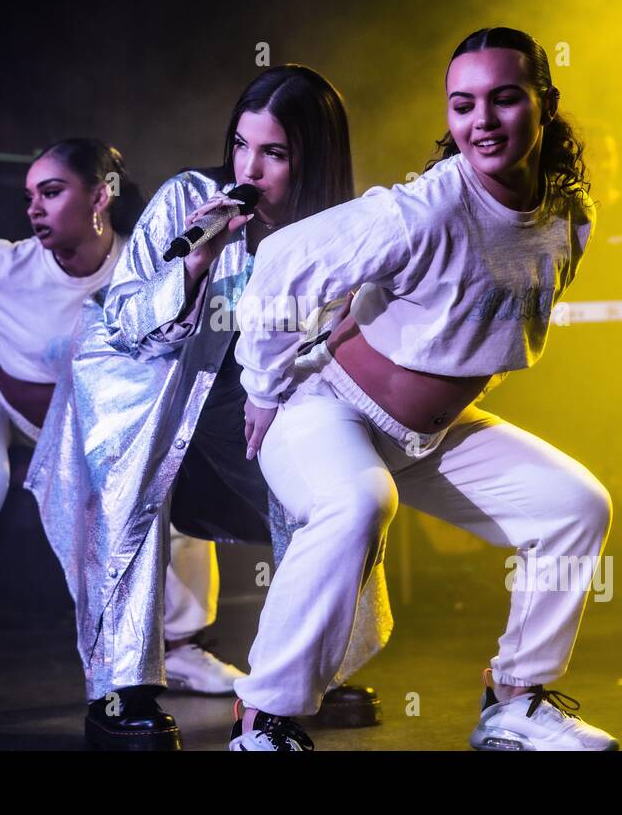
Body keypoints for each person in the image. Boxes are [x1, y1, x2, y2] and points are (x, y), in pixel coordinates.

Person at [229, 27, 619, 751]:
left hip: (427, 437)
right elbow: (282, 259)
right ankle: (263, 719)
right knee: (359, 500)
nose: (482, 121)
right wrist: (262, 385)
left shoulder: (569, 217)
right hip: (326, 411)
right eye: (463, 105)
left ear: (545, 103)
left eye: (505, 99)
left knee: (575, 506)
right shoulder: (427, 208)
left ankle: (514, 699)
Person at [26, 65, 390, 750]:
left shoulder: (339, 228)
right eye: (241, 145)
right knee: (129, 494)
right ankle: (121, 693)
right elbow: (127, 317)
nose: (249, 168)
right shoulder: (190, 197)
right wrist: (197, 263)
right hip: (142, 380)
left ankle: (311, 670)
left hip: (250, 391)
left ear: (315, 157)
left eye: (274, 152)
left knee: (328, 491)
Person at [0, 138, 222, 729]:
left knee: (167, 485)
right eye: (30, 196)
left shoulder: (140, 267)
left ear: (101, 195)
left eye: (52, 192)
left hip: (75, 421)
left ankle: (181, 649)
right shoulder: (8, 266)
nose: (34, 208)